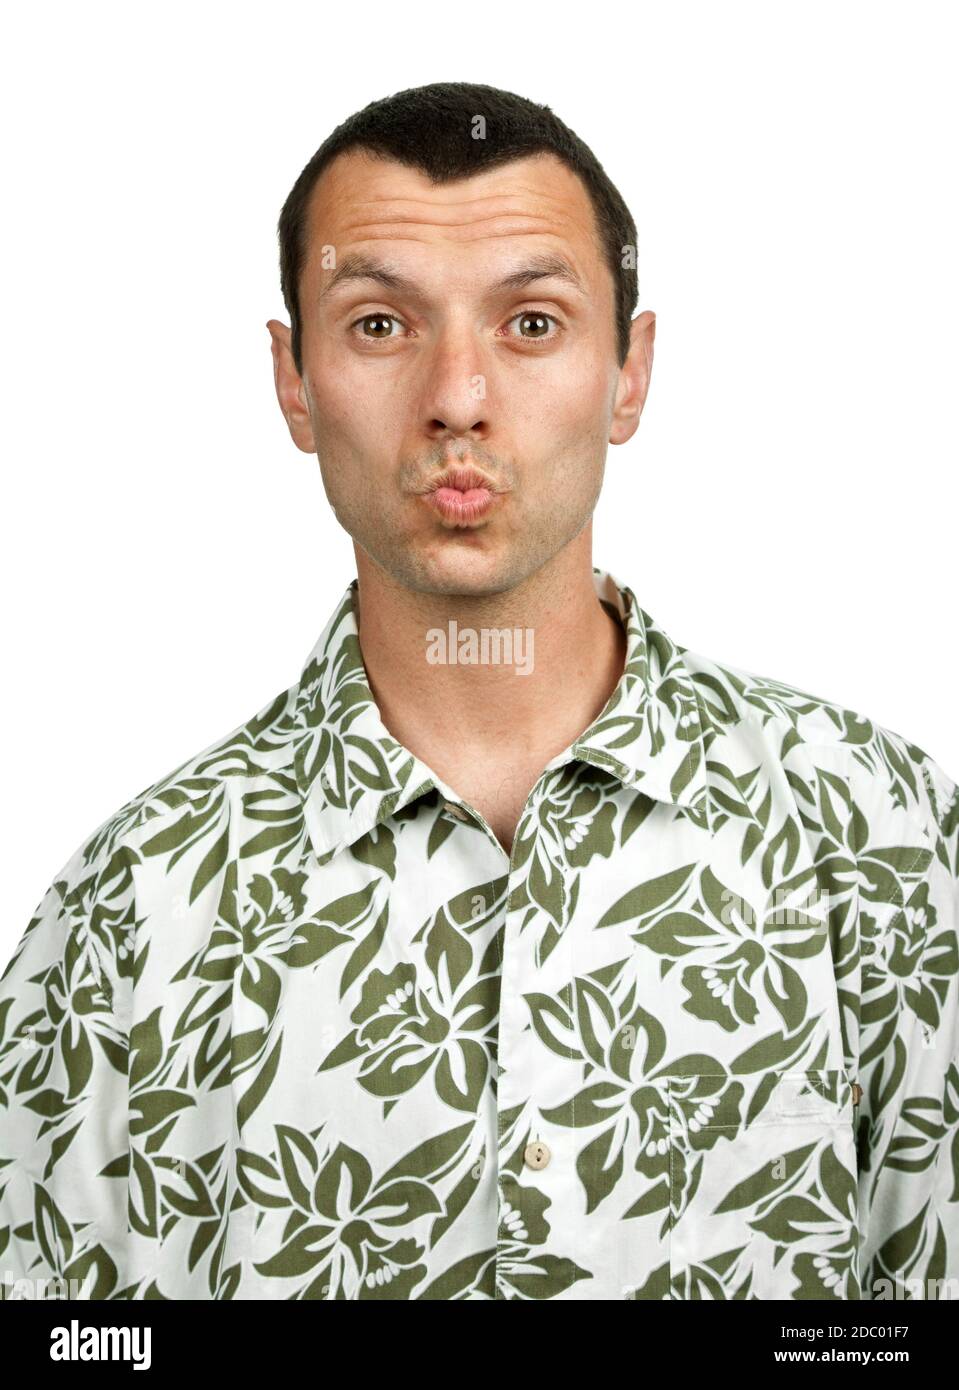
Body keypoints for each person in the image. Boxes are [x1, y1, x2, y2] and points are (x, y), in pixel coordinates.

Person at [1, 82, 956, 1302]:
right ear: (293, 381)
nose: (457, 396)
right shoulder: (129, 918)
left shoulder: (887, 842)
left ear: (629, 373)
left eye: (532, 323)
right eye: (381, 326)